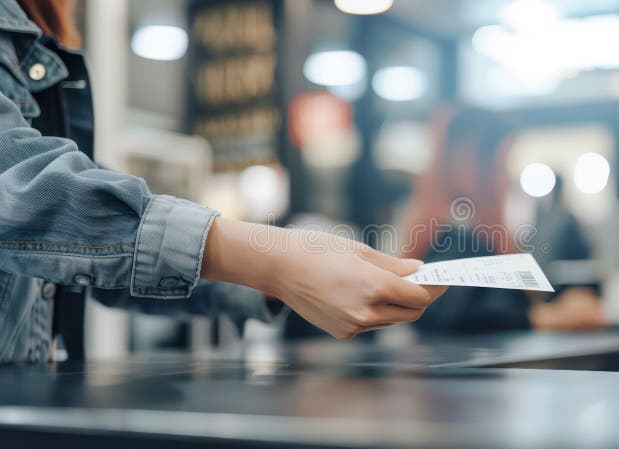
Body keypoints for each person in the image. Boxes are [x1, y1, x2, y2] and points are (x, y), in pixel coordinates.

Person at [0, 0, 446, 363]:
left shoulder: (34, 31)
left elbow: (79, 247)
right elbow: (22, 191)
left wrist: (281, 276)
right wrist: (276, 263)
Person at [400, 107, 606, 335]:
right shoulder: (453, 232)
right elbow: (452, 315)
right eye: (502, 162)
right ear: (474, 164)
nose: (505, 176)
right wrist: (540, 318)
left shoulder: (482, 232)